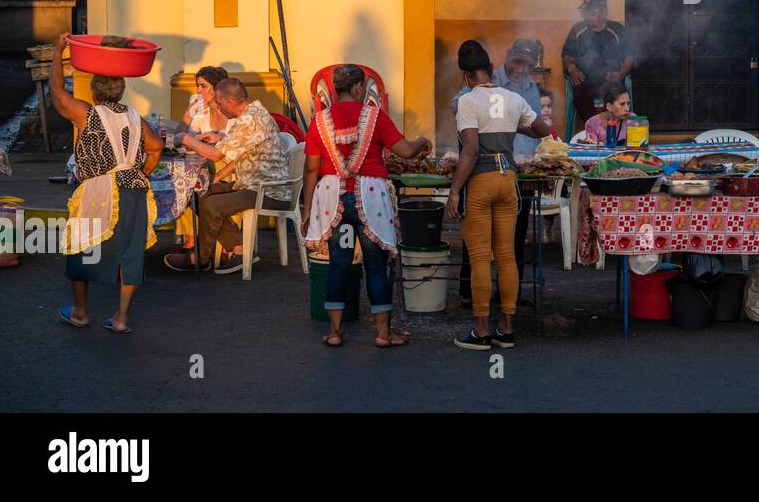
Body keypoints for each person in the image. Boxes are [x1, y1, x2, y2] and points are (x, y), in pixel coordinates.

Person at [301, 64, 430, 348]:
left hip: (332, 197)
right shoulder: (376, 116)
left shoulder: (319, 120)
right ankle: (383, 335)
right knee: (375, 266)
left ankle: (334, 333)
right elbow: (406, 152)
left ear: (336, 89)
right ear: (359, 88)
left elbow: (311, 169)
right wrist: (423, 140)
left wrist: (307, 208)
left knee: (338, 264)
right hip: (371, 197)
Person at [51, 33, 163, 333]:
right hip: (134, 188)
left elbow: (57, 92)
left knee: (82, 245)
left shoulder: (87, 113)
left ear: (95, 92)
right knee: (131, 252)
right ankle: (122, 318)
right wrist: (142, 173)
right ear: (121, 91)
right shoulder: (136, 117)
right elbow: (156, 147)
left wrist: (57, 51)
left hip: (99, 189)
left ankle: (81, 312)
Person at [446, 40, 550, 350]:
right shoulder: (513, 97)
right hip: (509, 181)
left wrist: (454, 191)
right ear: (491, 69)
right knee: (506, 258)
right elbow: (543, 130)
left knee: (480, 259)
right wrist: (515, 127)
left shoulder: (468, 101)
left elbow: (472, 149)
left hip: (481, 180)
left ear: (466, 75)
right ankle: (506, 328)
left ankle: (481, 331)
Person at [163, 78, 292, 274]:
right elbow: (246, 144)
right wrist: (222, 138)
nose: (219, 108)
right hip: (251, 183)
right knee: (197, 192)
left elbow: (215, 155)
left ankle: (200, 258)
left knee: (212, 205)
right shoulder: (253, 113)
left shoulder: (250, 119)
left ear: (231, 101)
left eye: (220, 104)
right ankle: (240, 248)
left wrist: (186, 138)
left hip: (268, 191)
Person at [172, 65, 229, 251]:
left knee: (194, 183)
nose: (198, 90)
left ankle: (223, 243)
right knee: (184, 183)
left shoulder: (231, 109)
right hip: (205, 164)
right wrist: (188, 114)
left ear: (217, 87)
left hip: (228, 167)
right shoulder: (200, 108)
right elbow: (179, 138)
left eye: (203, 86)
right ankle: (191, 238)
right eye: (197, 86)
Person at [562, 0, 633, 125]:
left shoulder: (616, 29)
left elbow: (629, 57)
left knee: (614, 93)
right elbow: (567, 56)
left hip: (610, 80)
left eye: (591, 10)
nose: (587, 14)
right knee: (581, 92)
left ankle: (611, 130)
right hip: (585, 81)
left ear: (603, 12)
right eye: (587, 11)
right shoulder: (578, 29)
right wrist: (572, 69)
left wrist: (620, 74)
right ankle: (597, 128)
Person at [584, 81, 633, 145]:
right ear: (609, 106)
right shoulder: (592, 123)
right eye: (622, 104)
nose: (627, 109)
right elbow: (592, 149)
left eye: (628, 103)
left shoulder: (632, 119)